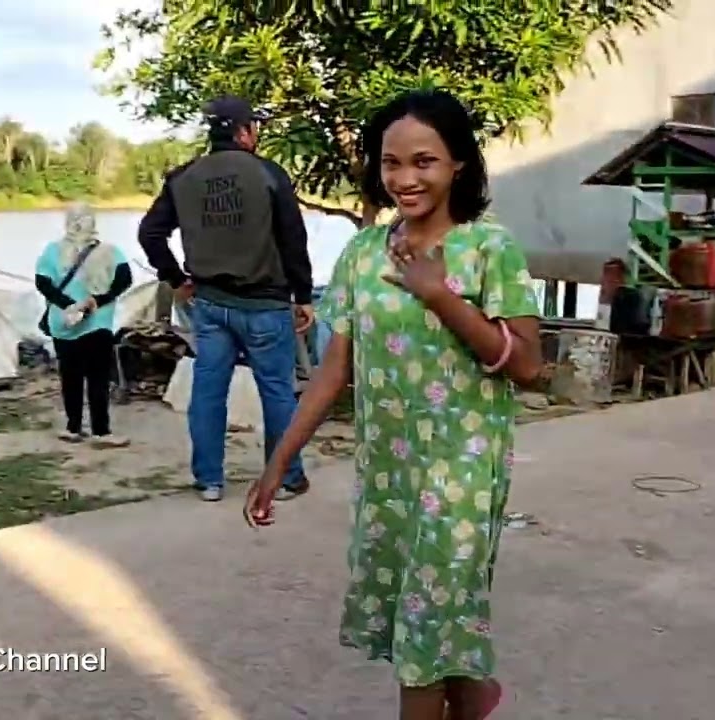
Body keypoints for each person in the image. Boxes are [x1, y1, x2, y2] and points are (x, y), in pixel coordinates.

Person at [244, 89, 545, 720]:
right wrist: (279, 461)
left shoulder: (490, 248)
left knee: (425, 623)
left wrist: (442, 297)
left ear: (459, 163)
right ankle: (473, 693)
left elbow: (529, 367)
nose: (405, 179)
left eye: (424, 162)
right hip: (388, 471)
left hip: (461, 469)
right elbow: (333, 372)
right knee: (424, 612)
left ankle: (462, 692)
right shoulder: (361, 254)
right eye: (391, 164)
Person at [138, 95, 316, 503]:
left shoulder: (183, 177)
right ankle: (287, 478)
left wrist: (175, 278)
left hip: (211, 305)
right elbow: (294, 240)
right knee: (276, 391)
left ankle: (210, 481)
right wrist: (303, 295)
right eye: (253, 125)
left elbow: (150, 234)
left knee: (208, 390)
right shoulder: (269, 174)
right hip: (267, 306)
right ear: (242, 131)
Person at [35, 203, 133, 447]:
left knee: (70, 376)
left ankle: (73, 427)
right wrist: (96, 302)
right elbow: (124, 280)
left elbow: (42, 283)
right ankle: (101, 430)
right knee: (98, 377)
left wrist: (68, 305)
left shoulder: (53, 251)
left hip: (64, 322)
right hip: (97, 322)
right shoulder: (110, 252)